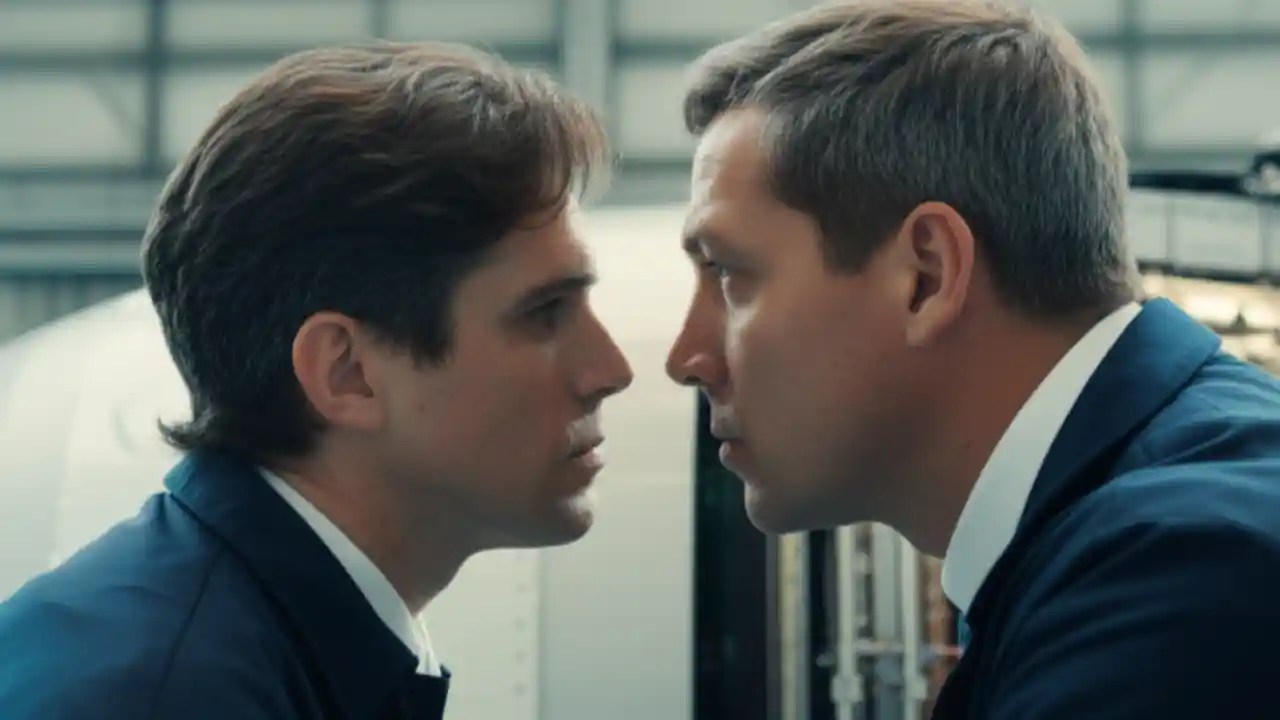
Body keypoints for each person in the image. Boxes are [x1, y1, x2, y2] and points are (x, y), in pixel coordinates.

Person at [666, 1, 1280, 717]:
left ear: (926, 277)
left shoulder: (1173, 588)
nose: (687, 358)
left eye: (729, 275)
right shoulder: (1136, 527)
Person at [0, 42, 632, 720]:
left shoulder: (225, 646)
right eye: (544, 314)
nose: (611, 371)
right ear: (346, 373)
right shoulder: (167, 695)